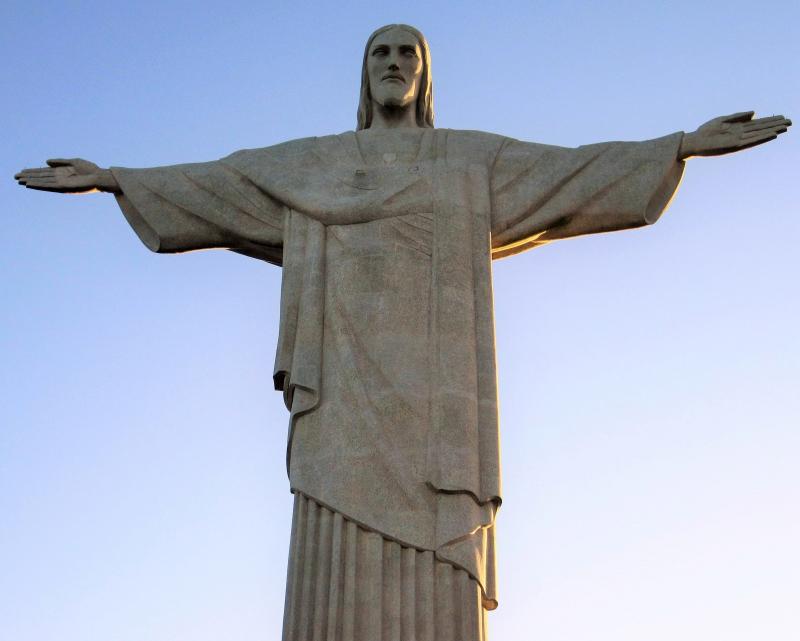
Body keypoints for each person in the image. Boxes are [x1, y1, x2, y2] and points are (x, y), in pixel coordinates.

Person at [14, 23, 791, 641]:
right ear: (364, 74)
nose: (393, 63)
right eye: (380, 52)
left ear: (424, 74)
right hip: (340, 409)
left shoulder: (465, 160)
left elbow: (571, 172)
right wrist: (118, 178)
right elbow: (225, 182)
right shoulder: (314, 163)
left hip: (435, 417)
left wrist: (679, 146)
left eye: (407, 53)